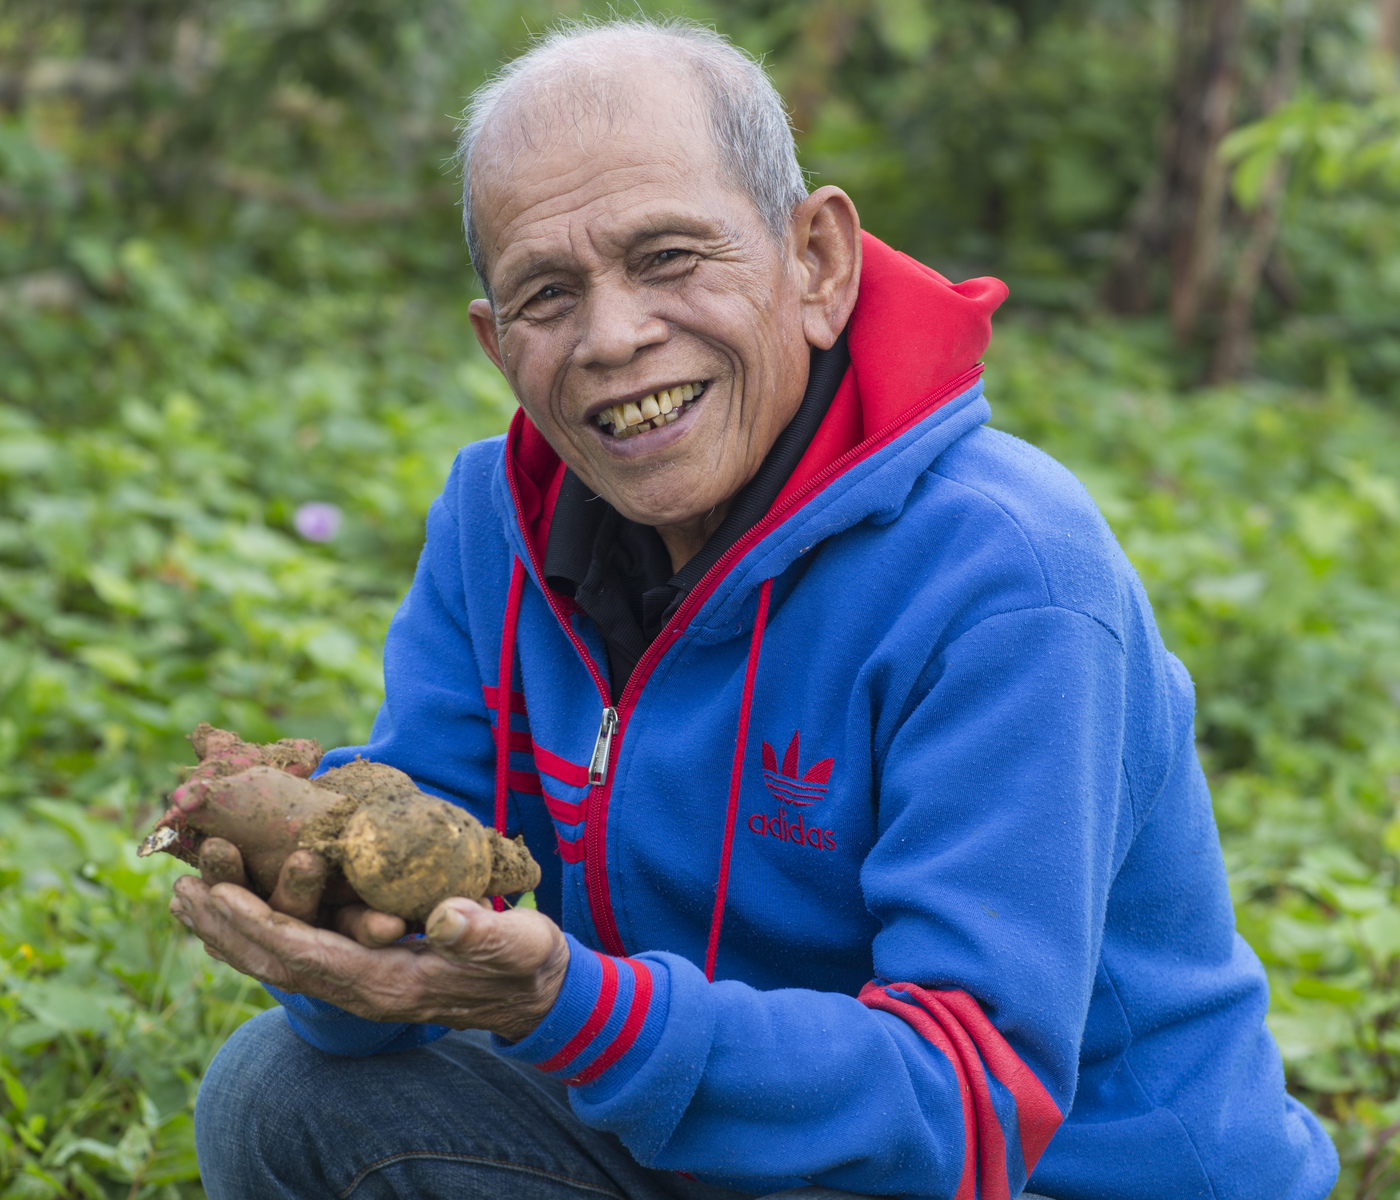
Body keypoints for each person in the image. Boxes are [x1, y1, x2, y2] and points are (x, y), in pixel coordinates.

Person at [177, 17, 1339, 1200]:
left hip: (1043, 1177)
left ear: (816, 262)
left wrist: (568, 1007)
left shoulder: (1005, 576)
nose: (612, 337)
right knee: (278, 1097)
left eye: (668, 257)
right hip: (720, 1144)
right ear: (496, 343)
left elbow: (967, 1106)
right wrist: (331, 936)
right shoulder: (494, 525)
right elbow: (419, 913)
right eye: (546, 293)